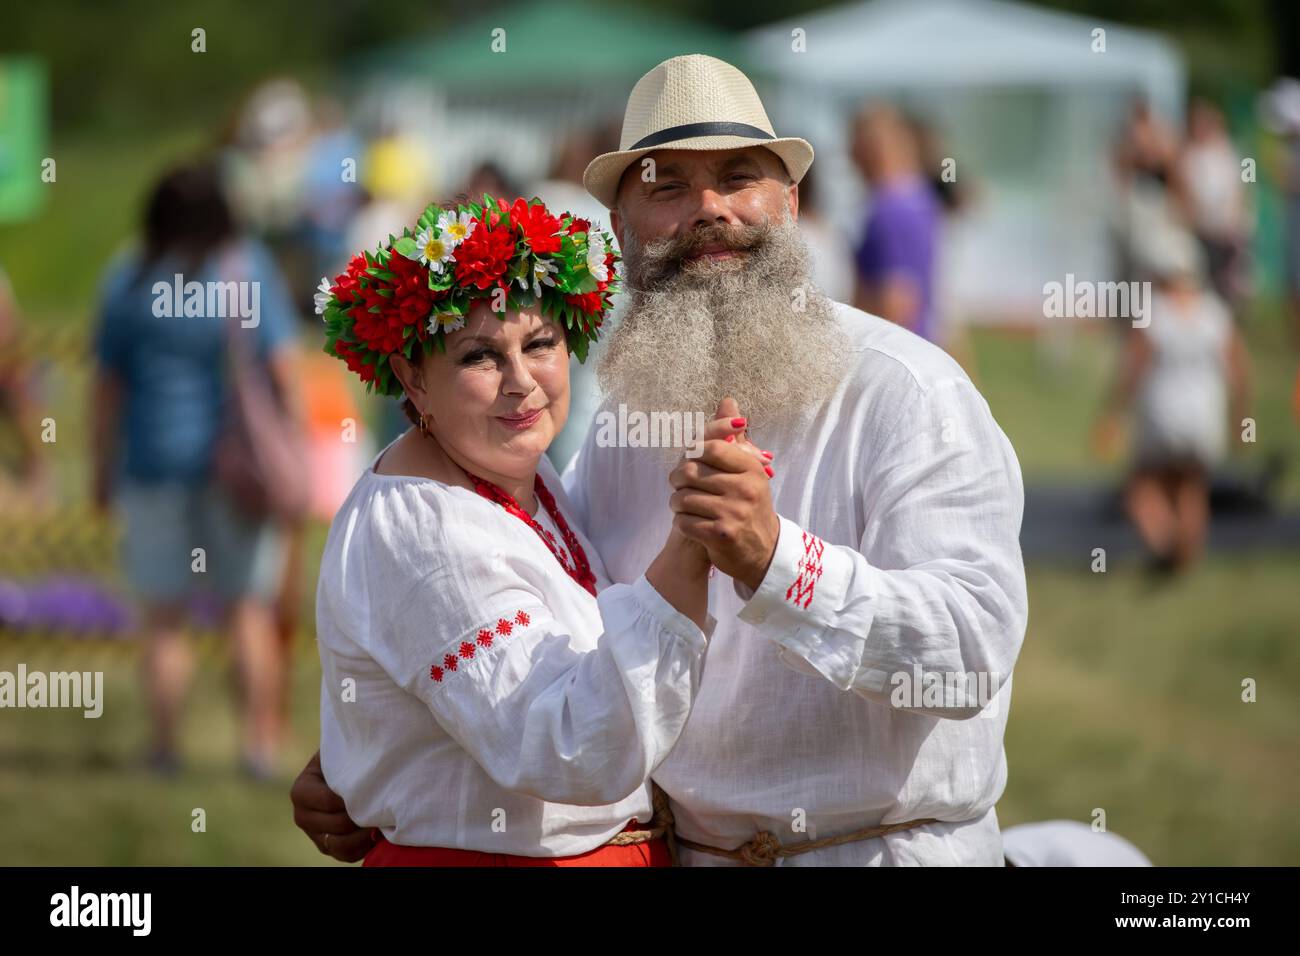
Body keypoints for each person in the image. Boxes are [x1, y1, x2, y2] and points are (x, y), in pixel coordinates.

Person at [295, 54, 1027, 867]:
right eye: (666, 184)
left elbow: (971, 658)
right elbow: (552, 635)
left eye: (738, 177)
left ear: (789, 203)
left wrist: (777, 561)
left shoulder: (907, 392)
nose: (708, 210)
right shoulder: (628, 419)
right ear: (621, 225)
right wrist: (380, 755)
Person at [308, 195, 773, 866]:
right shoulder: (427, 529)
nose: (521, 383)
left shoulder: (517, 474)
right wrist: (690, 547)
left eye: (540, 344)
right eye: (479, 357)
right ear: (412, 376)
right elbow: (568, 747)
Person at [89, 161, 301, 775]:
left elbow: (107, 390)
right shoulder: (247, 268)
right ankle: (259, 747)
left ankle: (163, 749)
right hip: (237, 472)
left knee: (162, 617)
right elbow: (283, 372)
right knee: (246, 609)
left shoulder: (128, 276)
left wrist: (101, 471)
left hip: (152, 465)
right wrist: (290, 453)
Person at [1093, 228, 1251, 574]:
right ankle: (1186, 562)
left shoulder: (1154, 313)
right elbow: (1238, 368)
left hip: (1162, 418)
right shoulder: (1214, 312)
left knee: (1140, 490)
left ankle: (1165, 548)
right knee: (1191, 489)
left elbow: (1132, 371)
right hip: (1204, 419)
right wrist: (1242, 420)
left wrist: (1111, 417)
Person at [849, 103, 944, 344]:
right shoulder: (921, 198)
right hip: (921, 346)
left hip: (895, 350)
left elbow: (897, 301)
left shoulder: (890, 210)